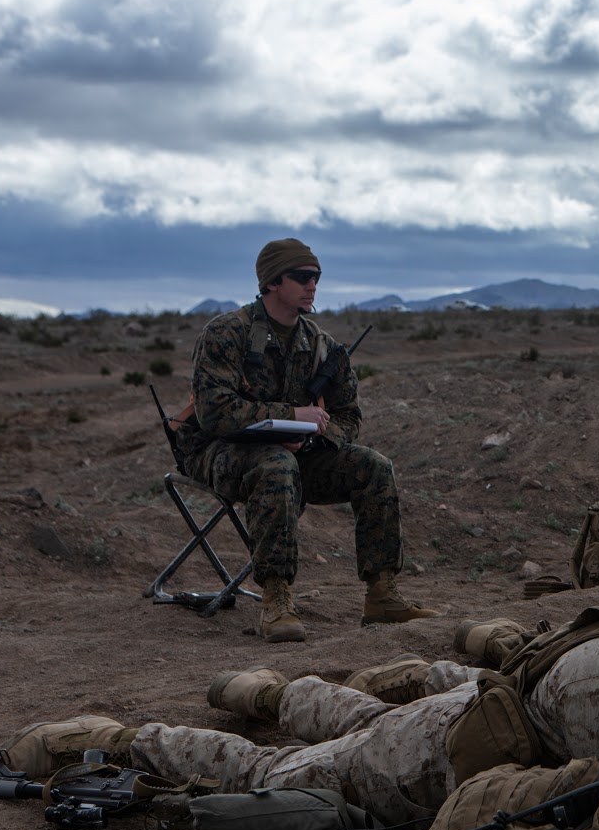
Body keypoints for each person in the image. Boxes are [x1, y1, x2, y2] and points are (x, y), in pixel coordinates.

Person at [0, 533, 599, 830]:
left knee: (358, 717)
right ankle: (116, 736)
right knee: (282, 779)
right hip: (433, 762)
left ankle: (271, 693)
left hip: (477, 724)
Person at [179, 238, 435, 642]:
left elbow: (349, 414)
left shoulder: (322, 348)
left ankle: (382, 595)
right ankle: (276, 598)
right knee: (275, 466)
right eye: (302, 276)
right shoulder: (227, 334)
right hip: (221, 452)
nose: (312, 284)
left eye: (316, 276)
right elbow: (214, 414)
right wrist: (291, 417)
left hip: (298, 454)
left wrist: (315, 440)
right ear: (272, 282)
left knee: (374, 467)